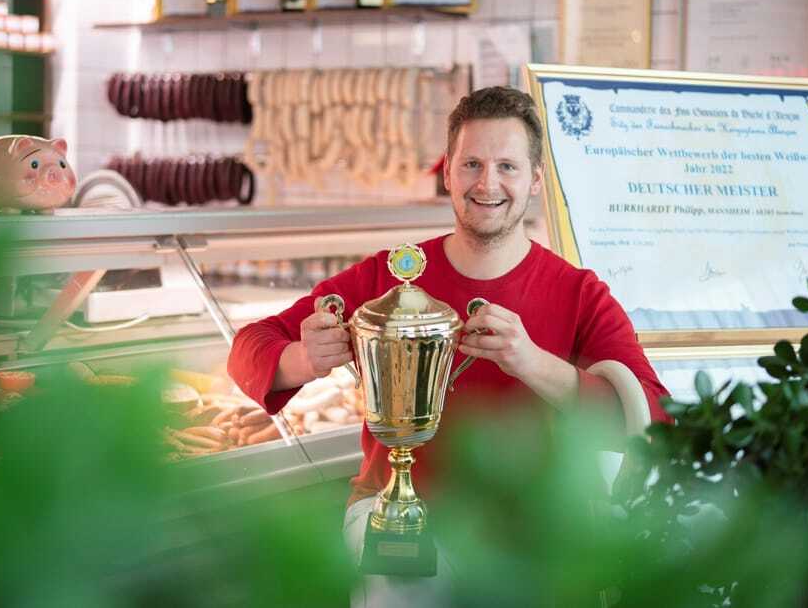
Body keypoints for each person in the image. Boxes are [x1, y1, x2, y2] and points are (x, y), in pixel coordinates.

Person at [227, 86, 670, 603]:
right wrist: (301, 358)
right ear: (448, 173)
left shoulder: (580, 293)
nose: (487, 183)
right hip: (397, 518)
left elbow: (655, 416)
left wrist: (532, 362)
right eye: (472, 164)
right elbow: (247, 348)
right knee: (404, 585)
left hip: (535, 533)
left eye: (507, 166)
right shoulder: (388, 276)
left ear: (534, 182)